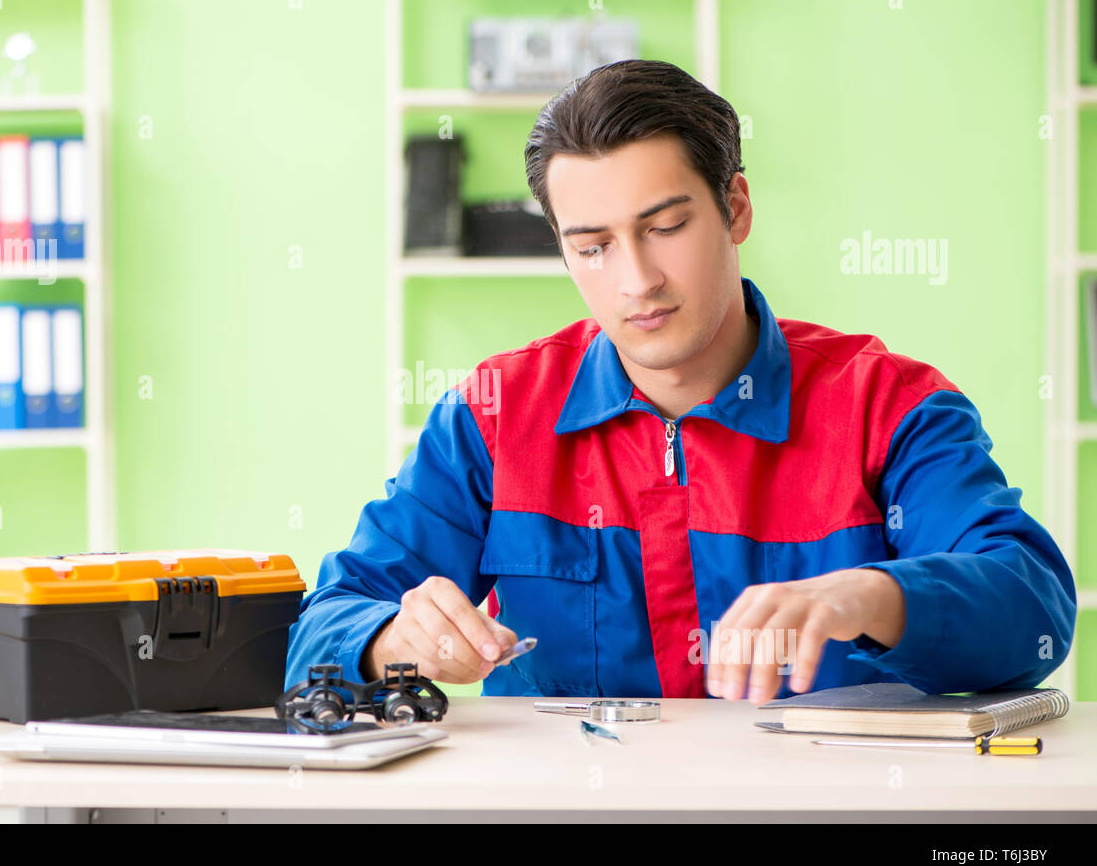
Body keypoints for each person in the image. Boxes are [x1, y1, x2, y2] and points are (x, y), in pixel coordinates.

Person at [284, 59, 1076, 705]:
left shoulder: (888, 405)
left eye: (665, 228)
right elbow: (324, 623)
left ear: (735, 207)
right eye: (592, 246)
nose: (636, 279)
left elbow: (1032, 607)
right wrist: (392, 637)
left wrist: (865, 596)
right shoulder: (492, 417)